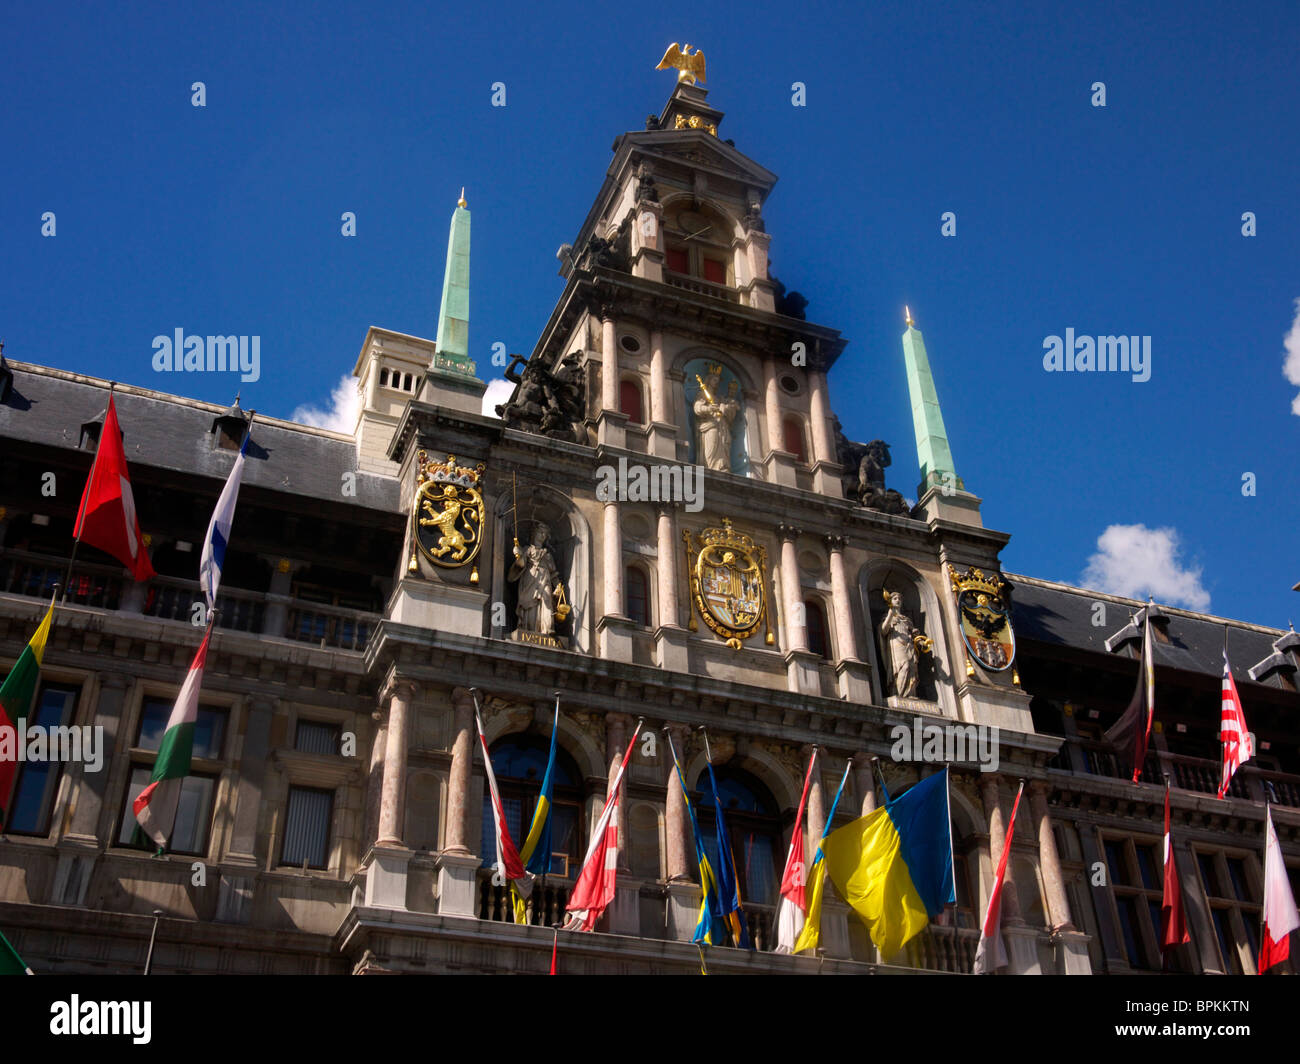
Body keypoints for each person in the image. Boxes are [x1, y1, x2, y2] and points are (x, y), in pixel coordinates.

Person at [509, 523, 562, 634]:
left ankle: (547, 628)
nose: (543, 535)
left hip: (545, 579)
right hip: (530, 578)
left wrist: (558, 586)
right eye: (540, 532)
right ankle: (528, 628)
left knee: (546, 601)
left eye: (545, 534)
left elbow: (554, 574)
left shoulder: (547, 555)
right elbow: (520, 565)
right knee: (530, 605)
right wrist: (518, 555)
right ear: (534, 533)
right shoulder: (527, 550)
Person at [693, 369, 740, 472]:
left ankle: (722, 467)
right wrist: (709, 409)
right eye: (715, 380)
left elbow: (727, 414)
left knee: (723, 446)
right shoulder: (702, 394)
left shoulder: (719, 399)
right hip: (710, 426)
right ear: (709, 380)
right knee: (711, 447)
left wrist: (725, 408)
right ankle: (710, 467)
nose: (717, 383)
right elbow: (697, 408)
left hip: (722, 426)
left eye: (718, 381)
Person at [880, 590, 922, 698]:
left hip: (909, 645)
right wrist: (890, 615)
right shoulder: (887, 617)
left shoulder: (906, 620)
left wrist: (918, 638)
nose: (898, 600)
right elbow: (884, 630)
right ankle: (900, 694)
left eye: (899, 599)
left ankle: (911, 694)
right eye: (895, 599)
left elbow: (914, 635)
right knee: (903, 666)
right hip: (896, 644)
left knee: (912, 667)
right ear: (890, 601)